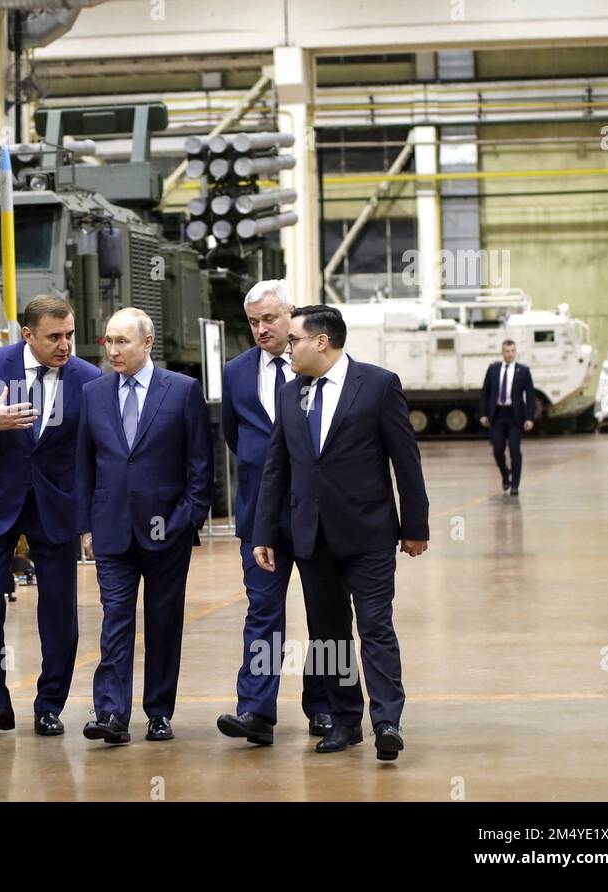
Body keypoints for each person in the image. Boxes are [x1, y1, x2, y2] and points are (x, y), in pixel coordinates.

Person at [253, 305, 429, 761]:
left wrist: (415, 525)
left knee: (375, 626)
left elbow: (405, 461)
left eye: (293, 340)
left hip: (369, 534)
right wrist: (263, 532)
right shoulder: (291, 396)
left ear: (322, 341)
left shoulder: (377, 385)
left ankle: (387, 720)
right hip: (311, 537)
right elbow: (277, 469)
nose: (286, 347)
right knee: (328, 634)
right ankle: (346, 721)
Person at [0, 295, 101, 737]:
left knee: (59, 611)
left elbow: (94, 455)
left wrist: (90, 518)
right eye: (54, 336)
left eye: (69, 334)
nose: (65, 345)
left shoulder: (89, 380)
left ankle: (49, 704)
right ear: (27, 334)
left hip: (56, 508)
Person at [75, 308, 212, 745]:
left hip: (166, 530)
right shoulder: (93, 393)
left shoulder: (183, 390)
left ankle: (158, 712)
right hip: (111, 527)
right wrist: (86, 525)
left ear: (147, 343)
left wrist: (187, 518)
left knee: (163, 621)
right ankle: (111, 713)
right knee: (115, 617)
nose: (113, 350)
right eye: (108, 341)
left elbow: (199, 465)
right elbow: (83, 465)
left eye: (123, 342)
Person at [216, 280, 334, 747]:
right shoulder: (236, 372)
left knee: (323, 613)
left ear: (291, 315)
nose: (261, 329)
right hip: (260, 518)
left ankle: (323, 705)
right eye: (253, 322)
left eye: (270, 319)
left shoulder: (315, 366)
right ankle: (256, 711)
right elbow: (234, 435)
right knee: (263, 612)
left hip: (315, 513)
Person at [479, 339, 536, 496]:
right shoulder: (493, 369)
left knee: (515, 450)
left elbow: (530, 396)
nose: (510, 354)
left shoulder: (523, 371)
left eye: (512, 351)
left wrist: (530, 418)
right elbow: (485, 393)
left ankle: (515, 485)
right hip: (497, 415)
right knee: (497, 450)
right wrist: (483, 414)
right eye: (507, 351)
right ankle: (505, 474)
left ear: (515, 352)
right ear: (502, 352)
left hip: (515, 416)